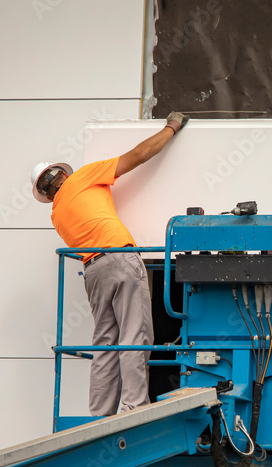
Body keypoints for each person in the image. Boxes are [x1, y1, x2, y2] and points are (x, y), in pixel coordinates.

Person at [32, 112, 189, 417]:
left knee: (106, 341)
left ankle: (100, 414)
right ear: (63, 175)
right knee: (135, 335)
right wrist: (171, 127)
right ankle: (133, 407)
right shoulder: (84, 177)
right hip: (118, 258)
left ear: (47, 193)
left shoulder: (57, 214)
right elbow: (140, 154)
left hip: (93, 271)